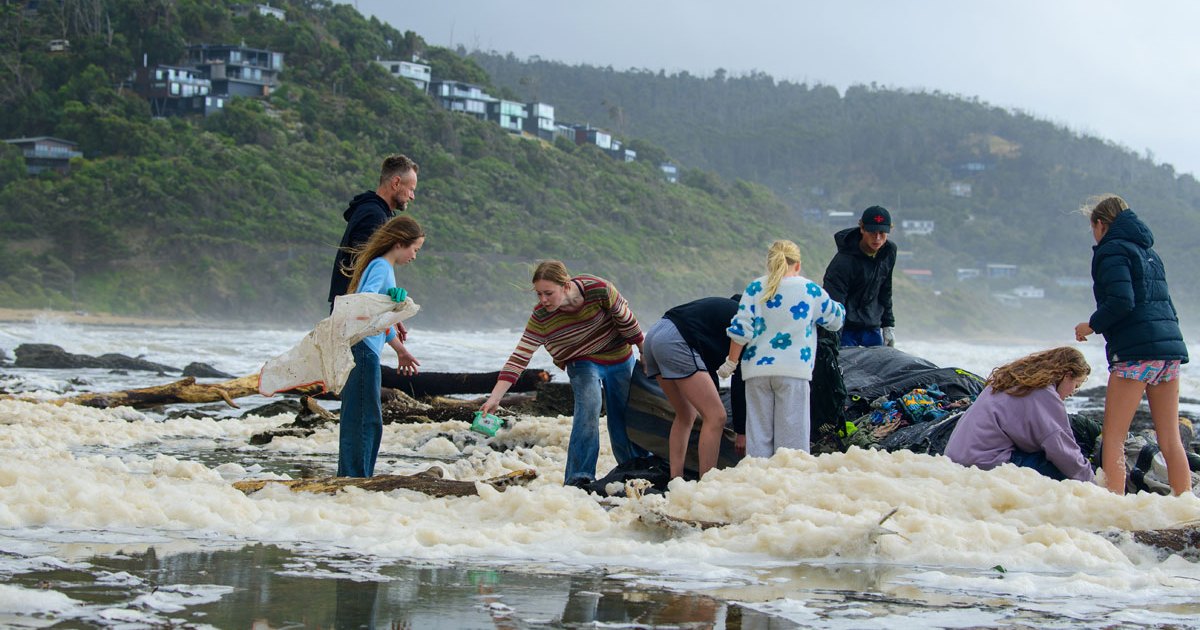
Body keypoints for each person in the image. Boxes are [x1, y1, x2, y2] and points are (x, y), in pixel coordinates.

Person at [481, 261, 650, 486]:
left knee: (622, 416)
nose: (543, 300)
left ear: (566, 286)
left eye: (548, 293)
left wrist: (644, 351)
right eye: (539, 294)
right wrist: (495, 397)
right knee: (588, 408)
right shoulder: (541, 317)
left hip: (619, 356)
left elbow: (627, 320)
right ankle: (579, 478)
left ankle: (635, 469)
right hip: (581, 361)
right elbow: (519, 357)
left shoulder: (599, 290)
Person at [1073, 195, 1191, 496]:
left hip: (1135, 354)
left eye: (1093, 229)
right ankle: (1187, 506)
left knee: (1114, 437)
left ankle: (1116, 509)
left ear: (1100, 224)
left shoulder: (1112, 250)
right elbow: (1166, 306)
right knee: (1170, 439)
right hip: (1168, 353)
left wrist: (1092, 325)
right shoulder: (1149, 253)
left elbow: (1122, 301)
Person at [722, 240, 844, 456]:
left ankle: (759, 484)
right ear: (798, 265)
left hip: (757, 373)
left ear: (769, 263)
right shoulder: (809, 290)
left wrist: (731, 363)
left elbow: (741, 330)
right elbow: (835, 321)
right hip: (793, 371)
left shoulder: (754, 288)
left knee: (758, 440)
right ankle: (789, 486)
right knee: (792, 444)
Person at [337, 215, 425, 477]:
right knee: (366, 418)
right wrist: (389, 304)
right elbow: (364, 308)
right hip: (363, 351)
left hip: (366, 349)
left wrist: (400, 349)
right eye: (415, 249)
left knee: (363, 416)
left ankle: (354, 476)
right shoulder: (380, 267)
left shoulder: (383, 268)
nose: (414, 256)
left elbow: (378, 321)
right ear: (399, 243)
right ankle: (357, 478)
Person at [944, 347, 1094, 482]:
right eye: (1076, 386)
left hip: (955, 456)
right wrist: (1093, 483)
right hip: (983, 462)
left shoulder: (1013, 381)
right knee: (1062, 473)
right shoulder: (1043, 393)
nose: (1072, 393)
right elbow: (1061, 448)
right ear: (1067, 375)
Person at [642, 296, 747, 479]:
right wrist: (741, 431)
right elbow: (740, 380)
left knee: (685, 414)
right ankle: (707, 483)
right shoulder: (745, 322)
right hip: (675, 340)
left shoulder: (717, 315)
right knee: (716, 417)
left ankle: (676, 480)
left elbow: (706, 370)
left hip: (654, 335)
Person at [328, 155, 420, 310]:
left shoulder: (373, 212)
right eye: (411, 189)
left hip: (353, 308)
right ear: (396, 182)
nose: (412, 196)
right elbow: (363, 268)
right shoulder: (374, 216)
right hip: (353, 311)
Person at [823, 205, 897, 348]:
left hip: (872, 328)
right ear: (862, 229)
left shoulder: (889, 252)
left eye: (882, 233)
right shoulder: (843, 261)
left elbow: (885, 289)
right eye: (872, 232)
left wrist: (888, 326)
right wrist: (833, 339)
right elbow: (835, 301)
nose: (877, 238)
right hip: (846, 329)